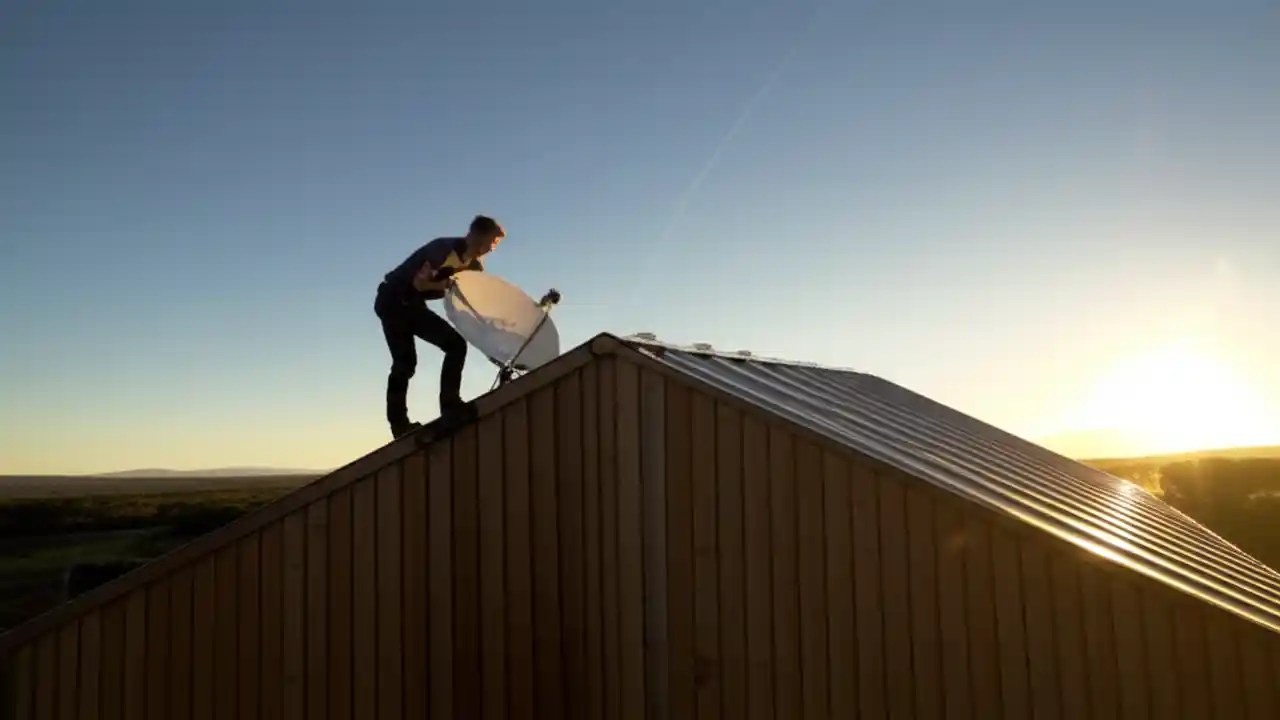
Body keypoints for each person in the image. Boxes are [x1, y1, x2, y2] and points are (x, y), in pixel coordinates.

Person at [374, 215, 505, 438]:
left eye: (494, 245)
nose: (490, 249)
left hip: (412, 302)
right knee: (410, 361)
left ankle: (447, 405)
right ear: (475, 235)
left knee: (442, 349)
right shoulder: (442, 250)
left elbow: (469, 297)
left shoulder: (474, 267)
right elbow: (419, 283)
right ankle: (405, 422)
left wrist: (490, 322)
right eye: (491, 242)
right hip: (392, 299)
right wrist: (447, 284)